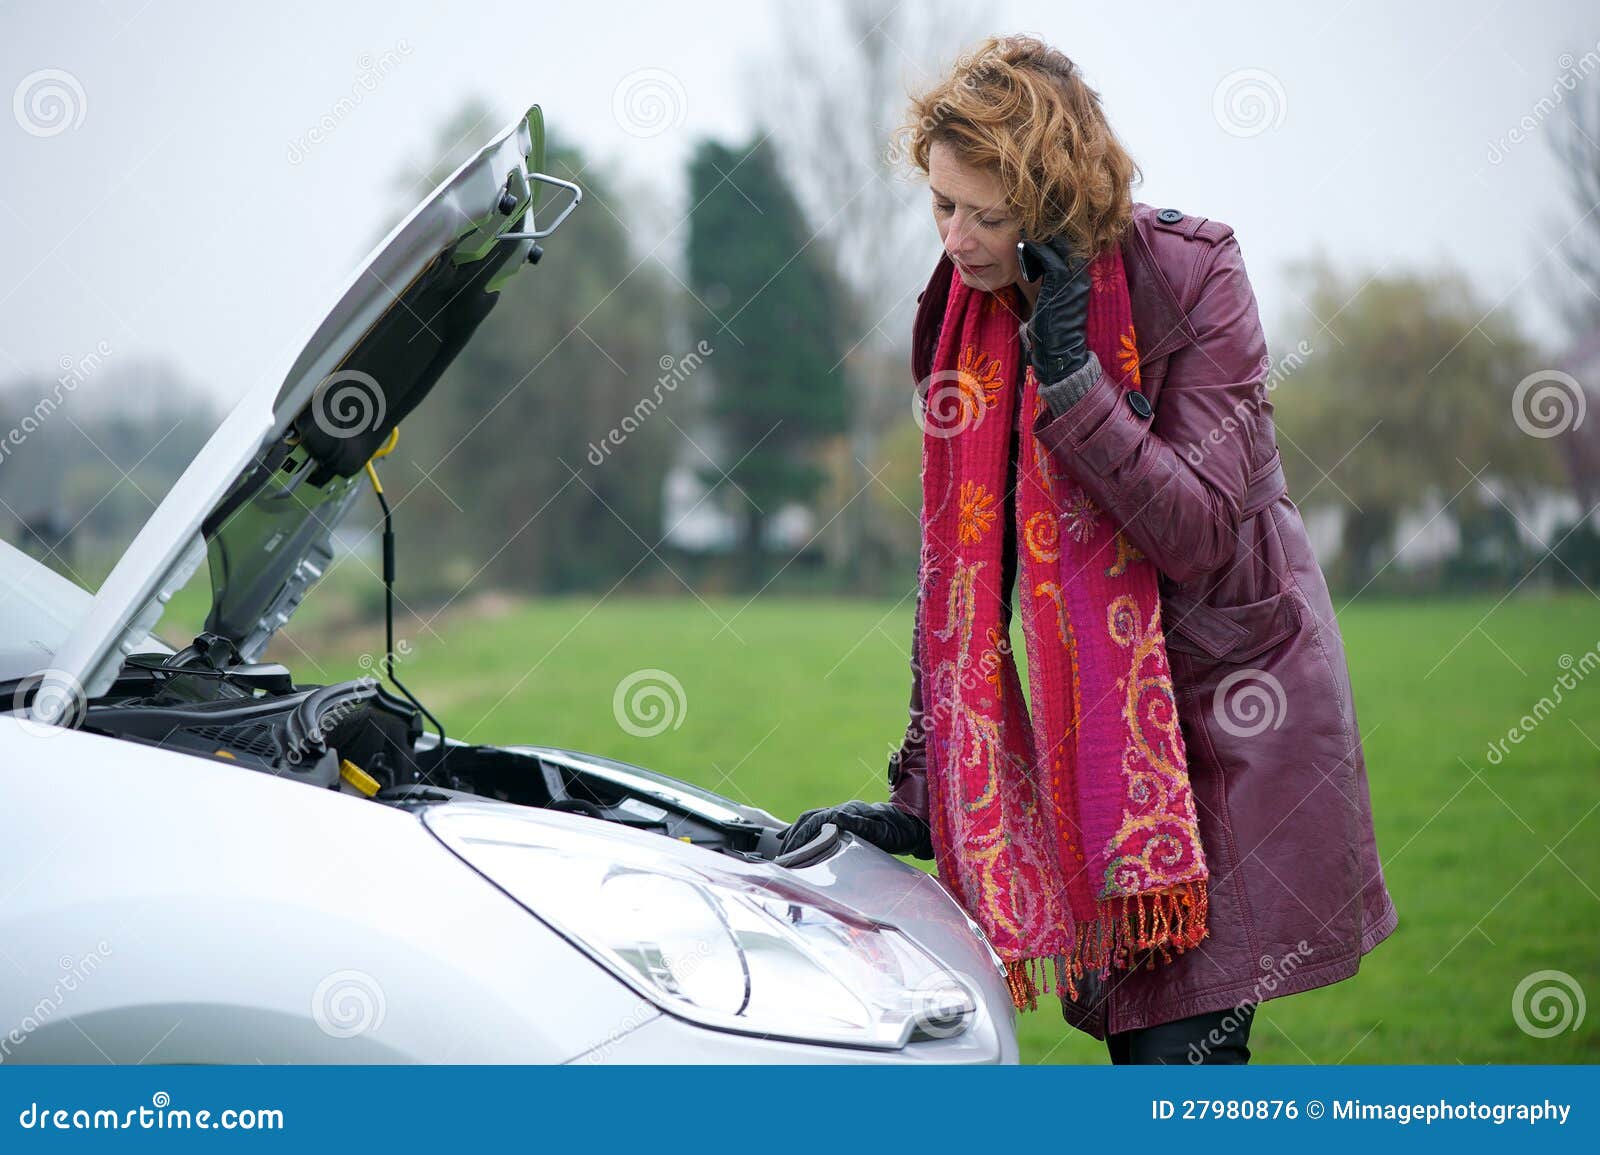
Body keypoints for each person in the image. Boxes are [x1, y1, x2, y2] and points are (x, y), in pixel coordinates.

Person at [779, 35, 1397, 1065]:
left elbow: (1198, 531)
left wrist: (1070, 377)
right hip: (1092, 752)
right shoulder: (955, 313)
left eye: (989, 214)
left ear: (1054, 201)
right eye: (941, 204)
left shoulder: (1196, 277)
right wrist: (925, 792)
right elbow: (964, 587)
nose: (958, 238)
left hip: (1228, 722)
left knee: (1174, 1071)